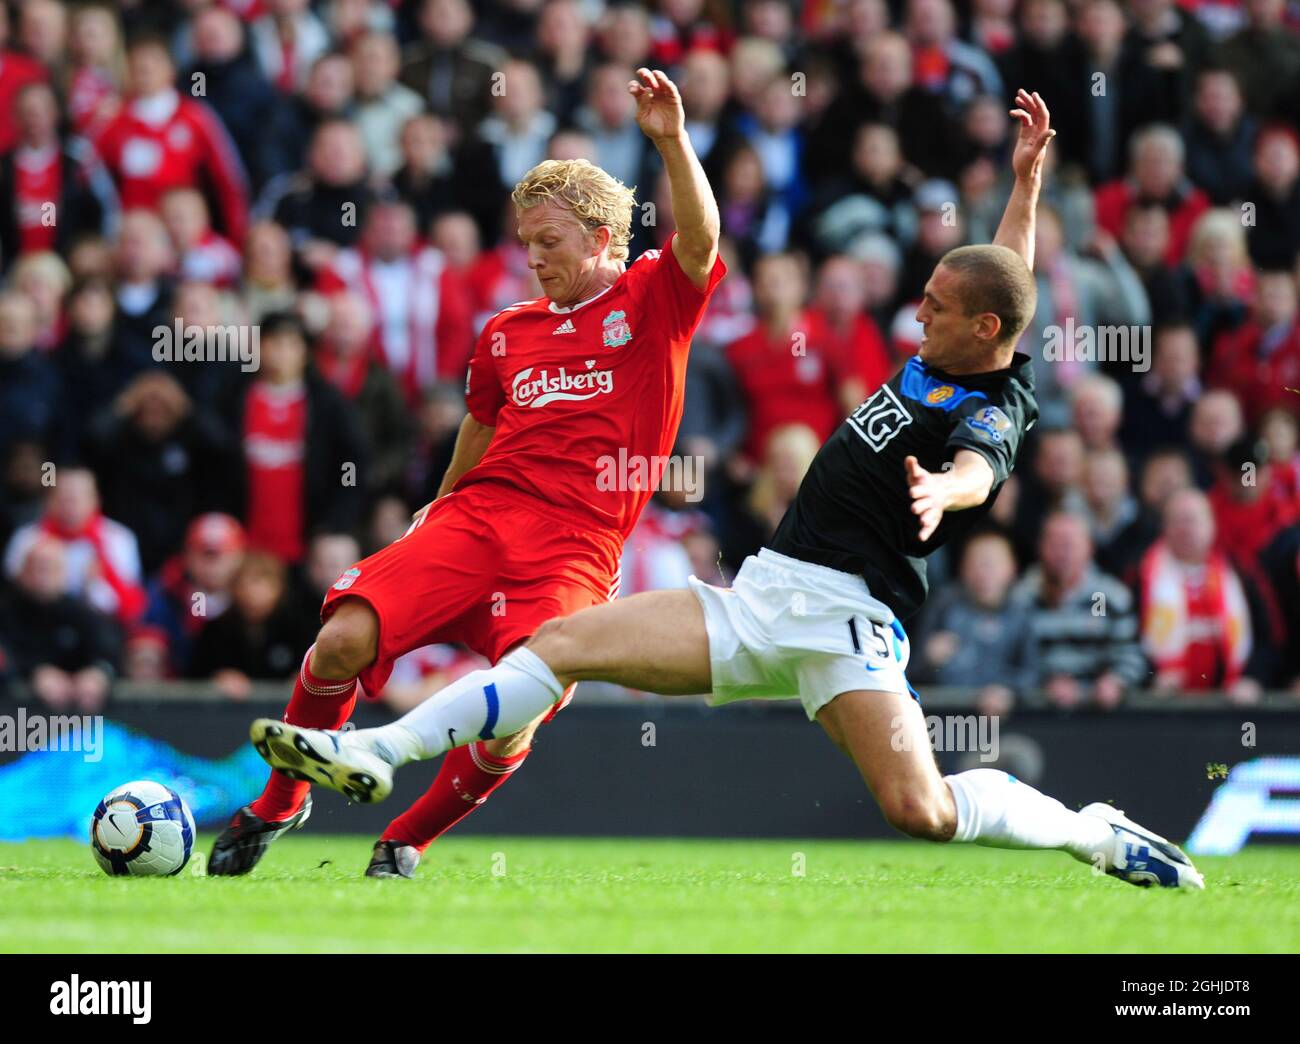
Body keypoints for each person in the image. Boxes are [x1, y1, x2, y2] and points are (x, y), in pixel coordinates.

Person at [251, 92, 1205, 891]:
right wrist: (1027, 181)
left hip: (846, 620)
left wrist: (944, 495)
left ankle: (1087, 831)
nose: (918, 314)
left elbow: (980, 463)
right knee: (558, 645)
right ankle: (381, 751)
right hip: (761, 595)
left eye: (937, 309)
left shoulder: (992, 406)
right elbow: (1008, 280)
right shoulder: (965, 338)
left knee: (923, 810)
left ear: (981, 330)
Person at [210, 68, 727, 878]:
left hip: (576, 547)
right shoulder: (505, 333)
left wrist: (670, 139)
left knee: (514, 715)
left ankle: (403, 841)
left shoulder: (653, 298)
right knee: (342, 639)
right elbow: (480, 428)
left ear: (598, 237)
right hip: (478, 516)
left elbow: (700, 241)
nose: (532, 259)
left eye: (548, 241)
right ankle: (278, 805)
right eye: (525, 242)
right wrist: (441, 508)